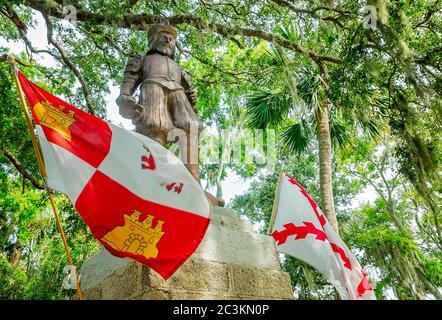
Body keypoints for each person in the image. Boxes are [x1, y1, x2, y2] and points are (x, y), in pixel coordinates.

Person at [116, 21, 224, 206]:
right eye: (163, 35)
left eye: (172, 37)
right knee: (155, 126)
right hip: (152, 89)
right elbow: (130, 77)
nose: (168, 39)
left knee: (191, 128)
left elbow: (190, 91)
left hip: (178, 94)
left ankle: (195, 186)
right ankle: (151, 178)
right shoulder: (143, 60)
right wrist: (125, 97)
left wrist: (194, 109)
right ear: (153, 40)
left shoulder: (178, 68)